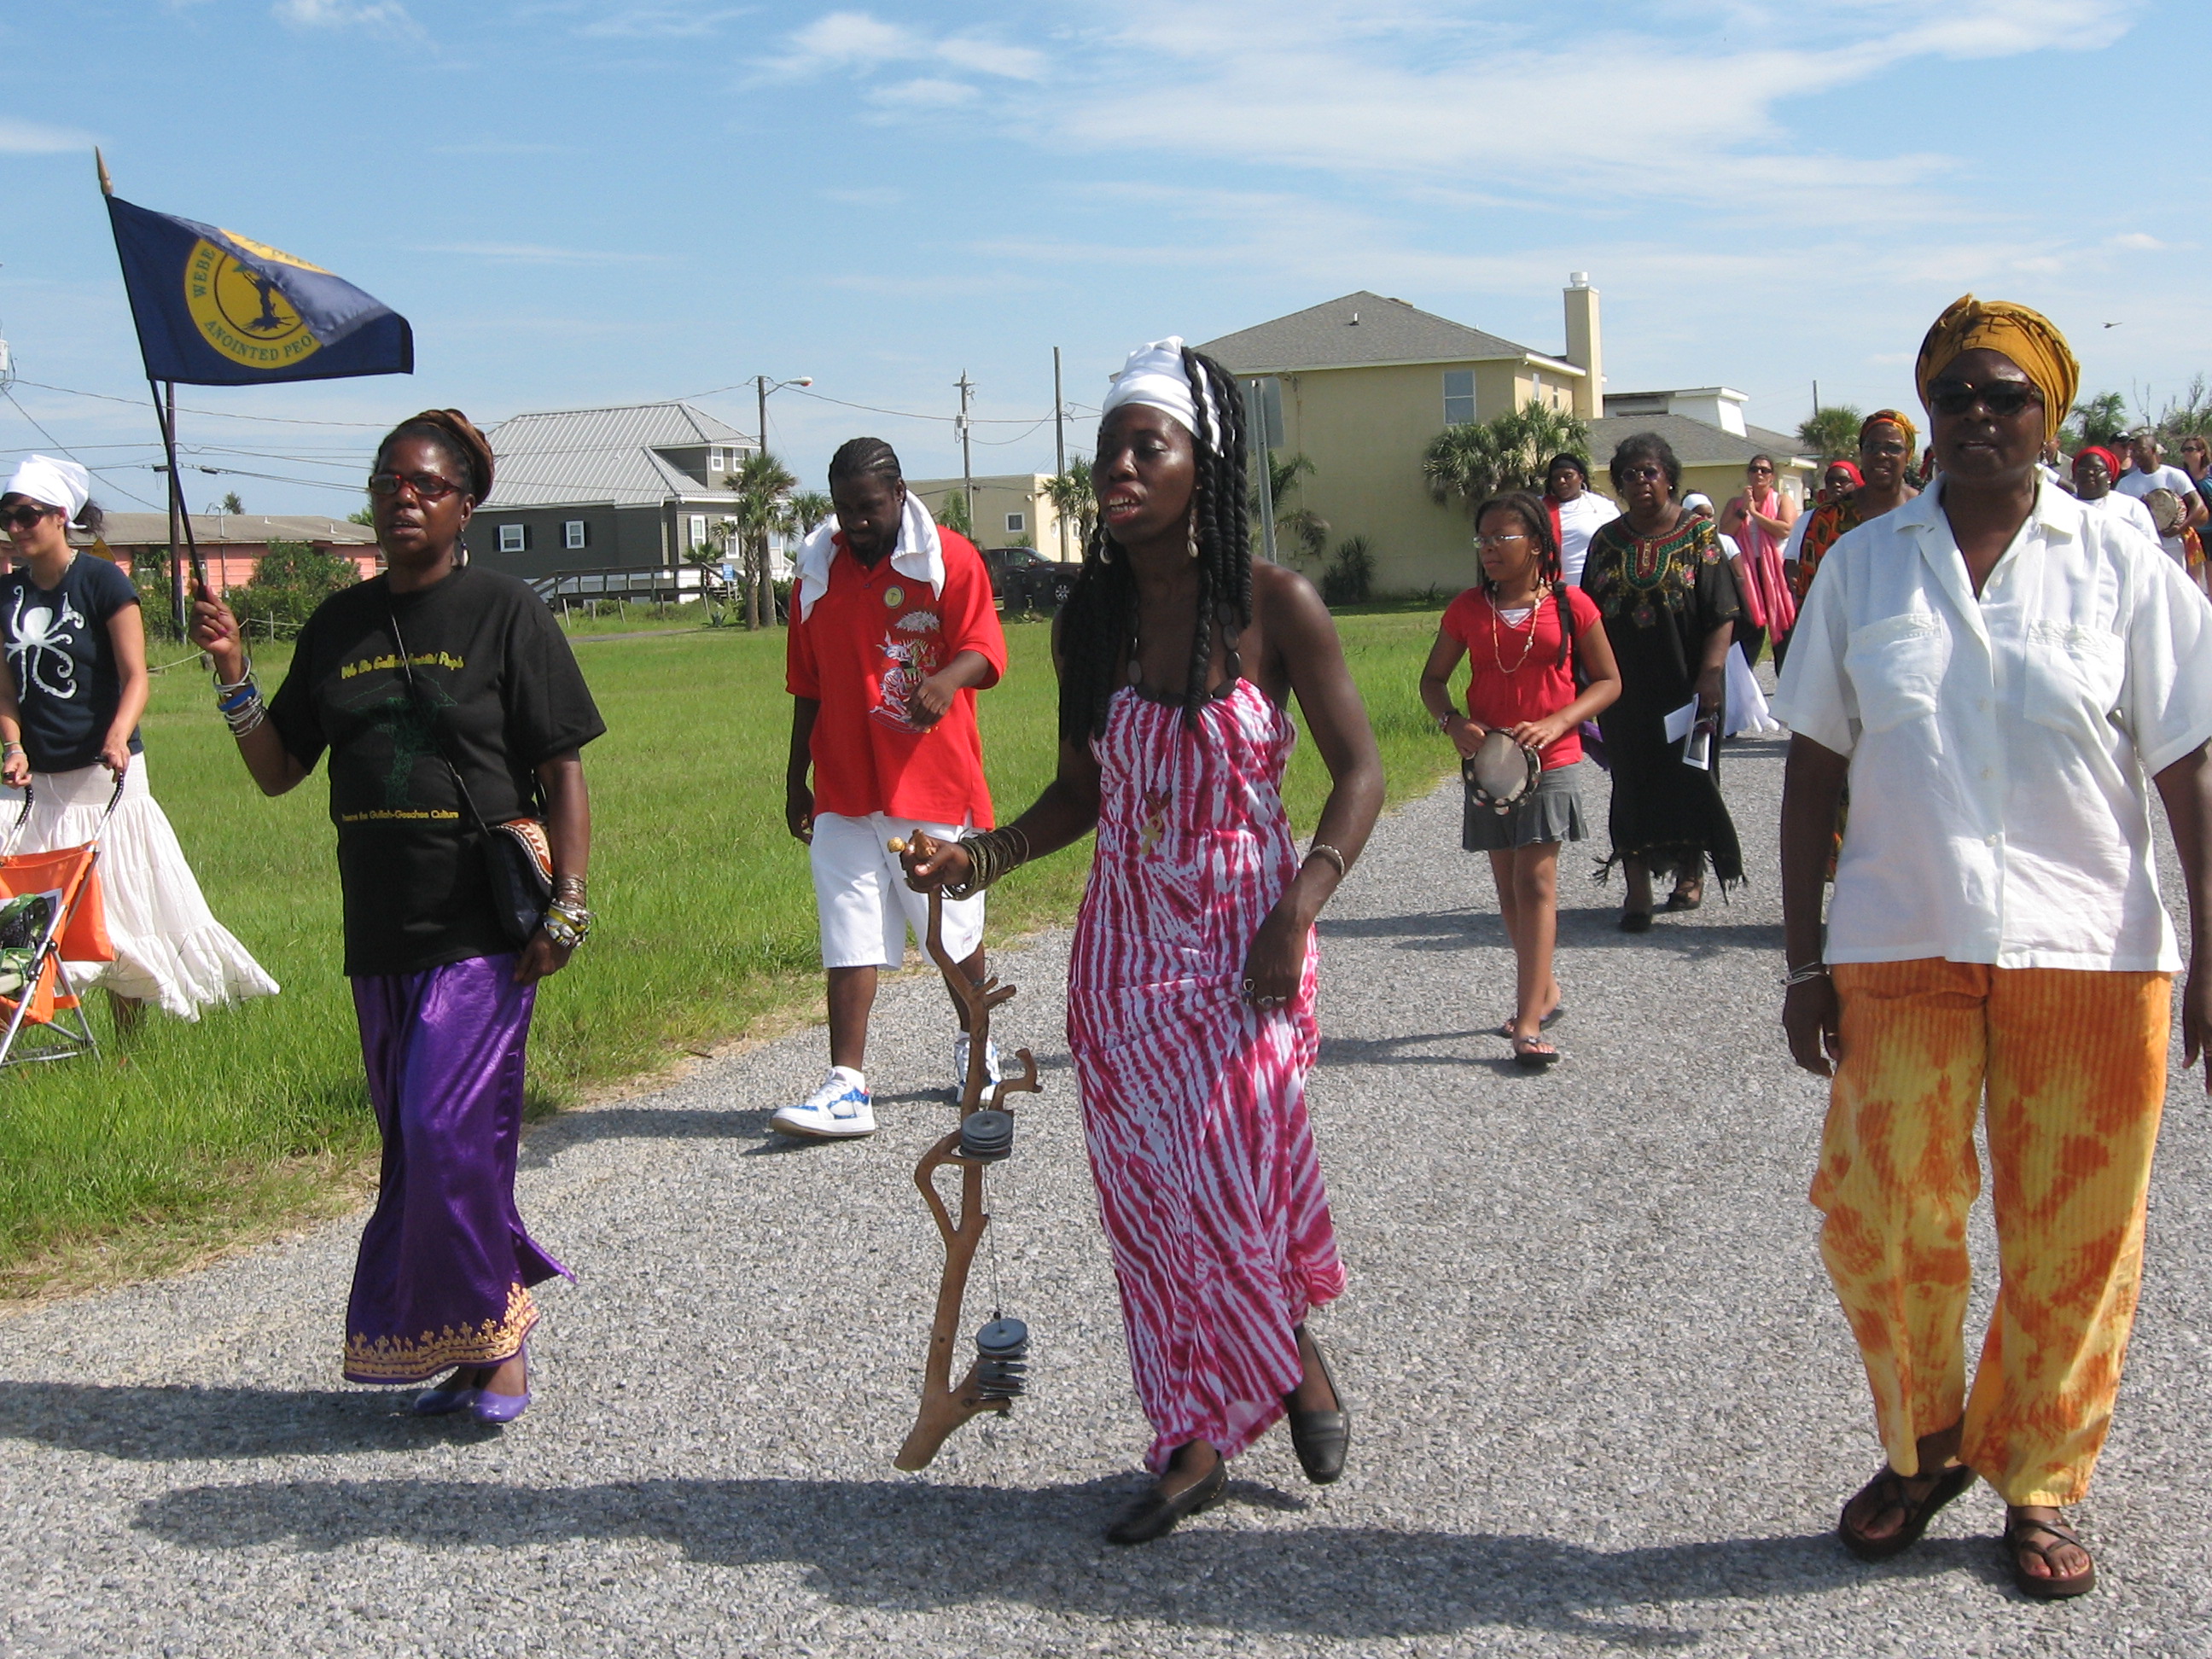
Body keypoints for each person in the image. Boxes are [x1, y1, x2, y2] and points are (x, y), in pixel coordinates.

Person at [902, 339, 1383, 1544]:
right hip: (1122, 956)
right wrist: (983, 854)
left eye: (1144, 446)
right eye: (1108, 448)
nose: (1118, 467)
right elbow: (1081, 797)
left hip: (1248, 940)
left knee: (1228, 1188)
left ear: (1197, 465)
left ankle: (1279, 1366)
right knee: (1156, 1211)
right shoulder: (1091, 621)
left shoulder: (1276, 607)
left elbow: (1363, 775)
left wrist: (1299, 907)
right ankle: (1194, 1440)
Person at [1773, 295, 2212, 1600]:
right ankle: (1925, 1447)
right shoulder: (1863, 564)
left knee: (2075, 1229)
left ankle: (2043, 1479)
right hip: (1902, 942)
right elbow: (1810, 777)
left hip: (2095, 950)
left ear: (2050, 418)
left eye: (2005, 397)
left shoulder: (2124, 560)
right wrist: (1803, 960)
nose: (1978, 417)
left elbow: (2187, 771)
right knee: (1882, 1212)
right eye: (1955, 395)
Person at [189, 410, 602, 1425]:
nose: (401, 498)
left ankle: (497, 1341)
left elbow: (561, 769)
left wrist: (571, 907)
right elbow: (281, 771)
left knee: (443, 1129)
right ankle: (465, 1346)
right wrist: (234, 677)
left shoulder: (506, 612)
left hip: (483, 929)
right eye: (387, 481)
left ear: (466, 505)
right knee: (421, 1152)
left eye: (423, 484)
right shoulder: (339, 624)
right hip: (378, 929)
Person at [778, 439, 1008, 1139]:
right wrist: (795, 777)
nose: (856, 521)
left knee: (947, 933)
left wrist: (946, 680)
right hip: (845, 785)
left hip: (930, 786)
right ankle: (847, 1086)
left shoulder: (947, 559)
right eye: (844, 508)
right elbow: (806, 687)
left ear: (899, 493)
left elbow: (986, 649)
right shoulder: (817, 575)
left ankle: (978, 1048)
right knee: (846, 935)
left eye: (869, 507)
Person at [0, 456, 275, 1024]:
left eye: (27, 515)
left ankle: (131, 1040)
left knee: (120, 908)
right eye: (7, 516)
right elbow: (6, 691)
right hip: (36, 783)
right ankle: (25, 1028)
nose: (15, 527)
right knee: (19, 909)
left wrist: (118, 736)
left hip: (104, 776)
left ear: (58, 516)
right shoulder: (8, 596)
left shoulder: (102, 581)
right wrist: (14, 746)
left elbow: (135, 676)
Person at [1418, 491, 1620, 1068]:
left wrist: (1559, 721)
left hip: (1552, 761)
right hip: (1492, 768)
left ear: (1536, 543)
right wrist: (1451, 721)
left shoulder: (1571, 604)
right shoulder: (1466, 609)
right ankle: (1546, 990)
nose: (1488, 550)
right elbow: (1433, 681)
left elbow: (1608, 682)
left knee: (1535, 884)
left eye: (1501, 539)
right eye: (1481, 540)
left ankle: (1527, 1022)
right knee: (1508, 890)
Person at [1580, 434, 1744, 929]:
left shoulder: (1698, 536)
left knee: (1688, 776)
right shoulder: (1606, 542)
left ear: (1669, 476)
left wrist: (1711, 677)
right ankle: (1636, 890)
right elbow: (1586, 616)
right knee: (1631, 779)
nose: (1640, 481)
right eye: (1629, 474)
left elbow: (1722, 613)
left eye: (1649, 471)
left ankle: (1689, 874)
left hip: (1687, 685)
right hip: (1623, 689)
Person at [1790, 411, 1921, 603]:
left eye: (1892, 448)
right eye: (1871, 447)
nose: (1881, 455)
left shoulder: (1928, 513)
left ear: (1908, 454)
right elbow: (1810, 593)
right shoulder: (1829, 518)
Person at [1718, 454, 1798, 665]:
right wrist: (1744, 510)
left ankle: (1786, 684)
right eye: (1754, 469)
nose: (1759, 473)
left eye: (1764, 470)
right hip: (1747, 574)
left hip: (1775, 573)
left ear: (1772, 477)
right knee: (1749, 631)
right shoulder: (1735, 503)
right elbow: (1724, 534)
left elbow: (1786, 529)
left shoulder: (1781, 500)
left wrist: (1756, 513)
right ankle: (1745, 688)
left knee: (1784, 632)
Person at [1542, 452, 1618, 589]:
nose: (1562, 481)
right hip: (1552, 590)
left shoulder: (1602, 507)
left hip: (1595, 587)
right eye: (1556, 478)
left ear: (1581, 477)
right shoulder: (1538, 508)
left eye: (1568, 475)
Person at [2117, 429, 2209, 532]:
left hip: (2176, 543)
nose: (2136, 454)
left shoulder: (2174, 475)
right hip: (2144, 543)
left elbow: (2198, 505)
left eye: (2141, 450)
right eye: (2133, 451)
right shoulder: (2125, 483)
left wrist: (2181, 527)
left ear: (2153, 450)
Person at [2071, 445, 2163, 544]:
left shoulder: (2132, 506)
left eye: (2097, 469)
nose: (2089, 473)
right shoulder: (2064, 505)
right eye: (2083, 470)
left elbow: (2151, 548)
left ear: (2109, 475)